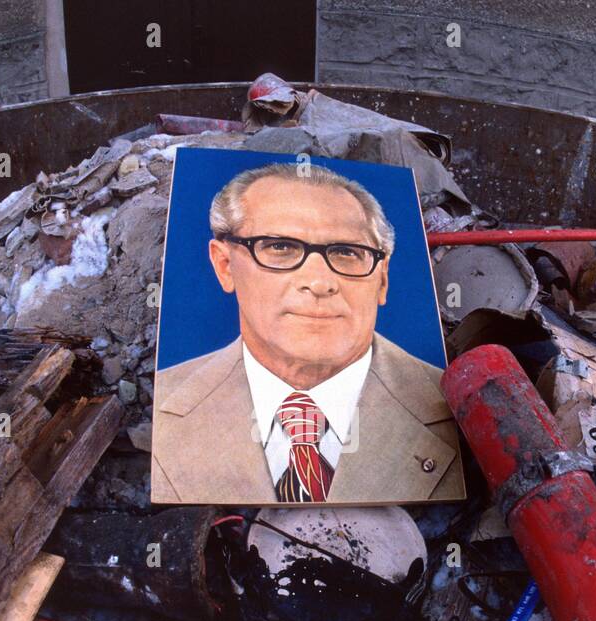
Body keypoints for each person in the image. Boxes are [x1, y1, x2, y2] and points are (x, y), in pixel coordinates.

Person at [151, 161, 464, 504]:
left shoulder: (458, 408)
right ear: (225, 266)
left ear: (383, 279)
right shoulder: (166, 402)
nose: (319, 282)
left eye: (347, 252)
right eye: (281, 247)